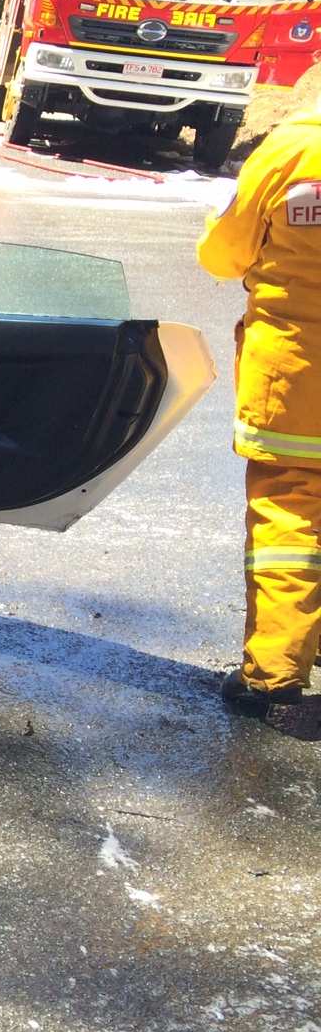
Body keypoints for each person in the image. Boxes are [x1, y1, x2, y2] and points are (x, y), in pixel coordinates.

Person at [198, 105, 321, 712]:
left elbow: (222, 256)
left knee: (289, 512)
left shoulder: (293, 150)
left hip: (296, 380)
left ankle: (273, 678)